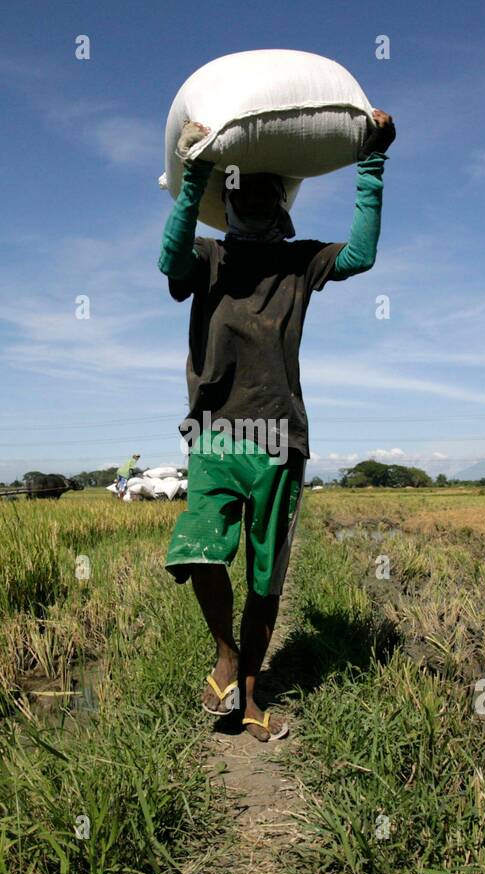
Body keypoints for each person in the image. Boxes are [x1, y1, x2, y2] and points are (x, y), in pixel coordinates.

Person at [158, 109, 394, 740]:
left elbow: (361, 255)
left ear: (283, 207)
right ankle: (226, 655)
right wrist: (193, 175)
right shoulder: (205, 259)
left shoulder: (299, 263)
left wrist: (372, 163)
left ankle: (253, 695)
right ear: (225, 204)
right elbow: (167, 259)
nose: (253, 204)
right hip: (214, 435)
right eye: (239, 193)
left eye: (265, 195)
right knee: (199, 546)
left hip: (279, 440)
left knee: (267, 577)